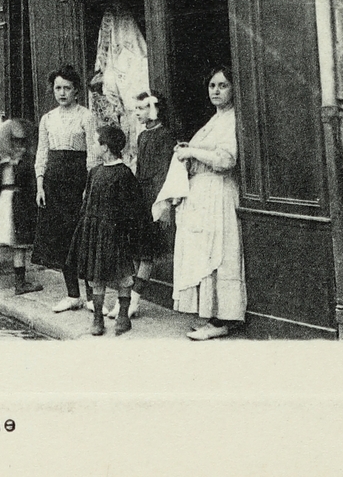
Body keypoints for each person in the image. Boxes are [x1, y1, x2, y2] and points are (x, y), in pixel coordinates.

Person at [162, 66, 247, 341]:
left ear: (233, 88)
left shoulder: (232, 119)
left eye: (222, 85)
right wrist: (189, 151)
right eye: (212, 86)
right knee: (205, 253)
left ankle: (225, 318)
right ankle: (212, 315)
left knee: (220, 252)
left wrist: (192, 151)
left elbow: (226, 159)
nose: (216, 91)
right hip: (204, 193)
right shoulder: (214, 120)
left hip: (219, 191)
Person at [68, 125, 149, 335]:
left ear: (105, 147)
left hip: (116, 233)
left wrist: (128, 233)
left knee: (123, 275)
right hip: (95, 233)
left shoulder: (124, 174)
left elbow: (133, 208)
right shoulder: (94, 172)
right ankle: (97, 318)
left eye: (96, 142)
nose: (94, 146)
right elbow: (87, 202)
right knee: (97, 277)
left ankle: (123, 315)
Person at [34, 65, 101, 313]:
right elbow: (42, 153)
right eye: (58, 88)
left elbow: (93, 155)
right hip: (54, 183)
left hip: (78, 182)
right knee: (63, 240)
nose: (62, 93)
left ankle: (93, 297)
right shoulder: (47, 119)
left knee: (83, 238)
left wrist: (89, 186)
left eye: (67, 88)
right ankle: (73, 294)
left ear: (76, 91)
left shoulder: (86, 116)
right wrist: (40, 184)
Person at [124, 91, 176, 319]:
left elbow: (164, 172)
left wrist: (160, 203)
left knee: (147, 252)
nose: (137, 113)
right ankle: (129, 299)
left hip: (154, 198)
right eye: (136, 109)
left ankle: (134, 300)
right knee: (136, 249)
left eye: (141, 108)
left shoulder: (164, 136)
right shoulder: (143, 135)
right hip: (141, 196)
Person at [0, 118, 42, 295]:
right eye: (15, 142)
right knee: (17, 242)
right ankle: (19, 281)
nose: (19, 147)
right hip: (12, 203)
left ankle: (20, 281)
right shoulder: (7, 163)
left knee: (19, 245)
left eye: (22, 143)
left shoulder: (18, 163)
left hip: (17, 203)